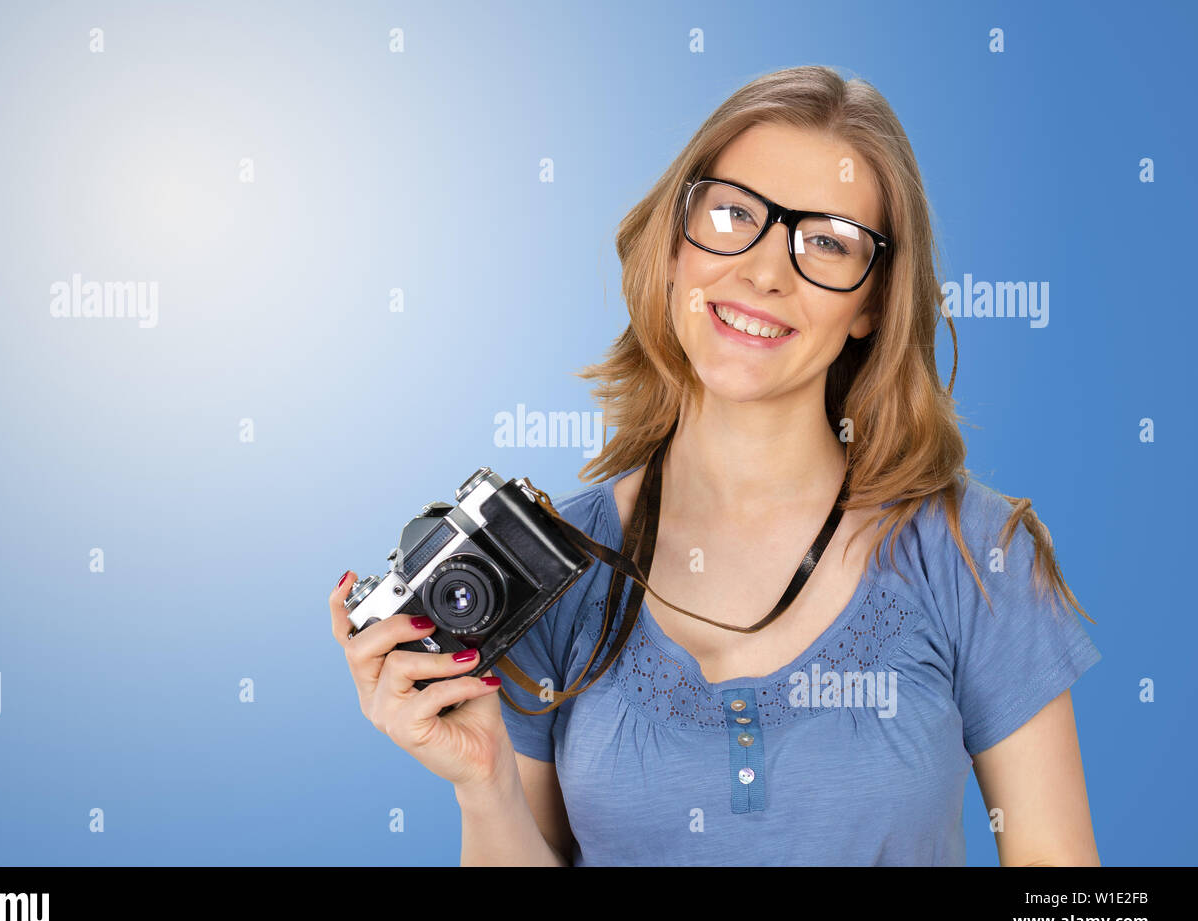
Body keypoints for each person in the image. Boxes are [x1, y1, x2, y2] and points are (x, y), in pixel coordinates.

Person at [328, 65, 1101, 866]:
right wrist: (483, 786)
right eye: (733, 215)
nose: (764, 272)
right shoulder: (549, 571)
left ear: (872, 303)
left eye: (827, 243)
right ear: (672, 245)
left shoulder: (973, 553)